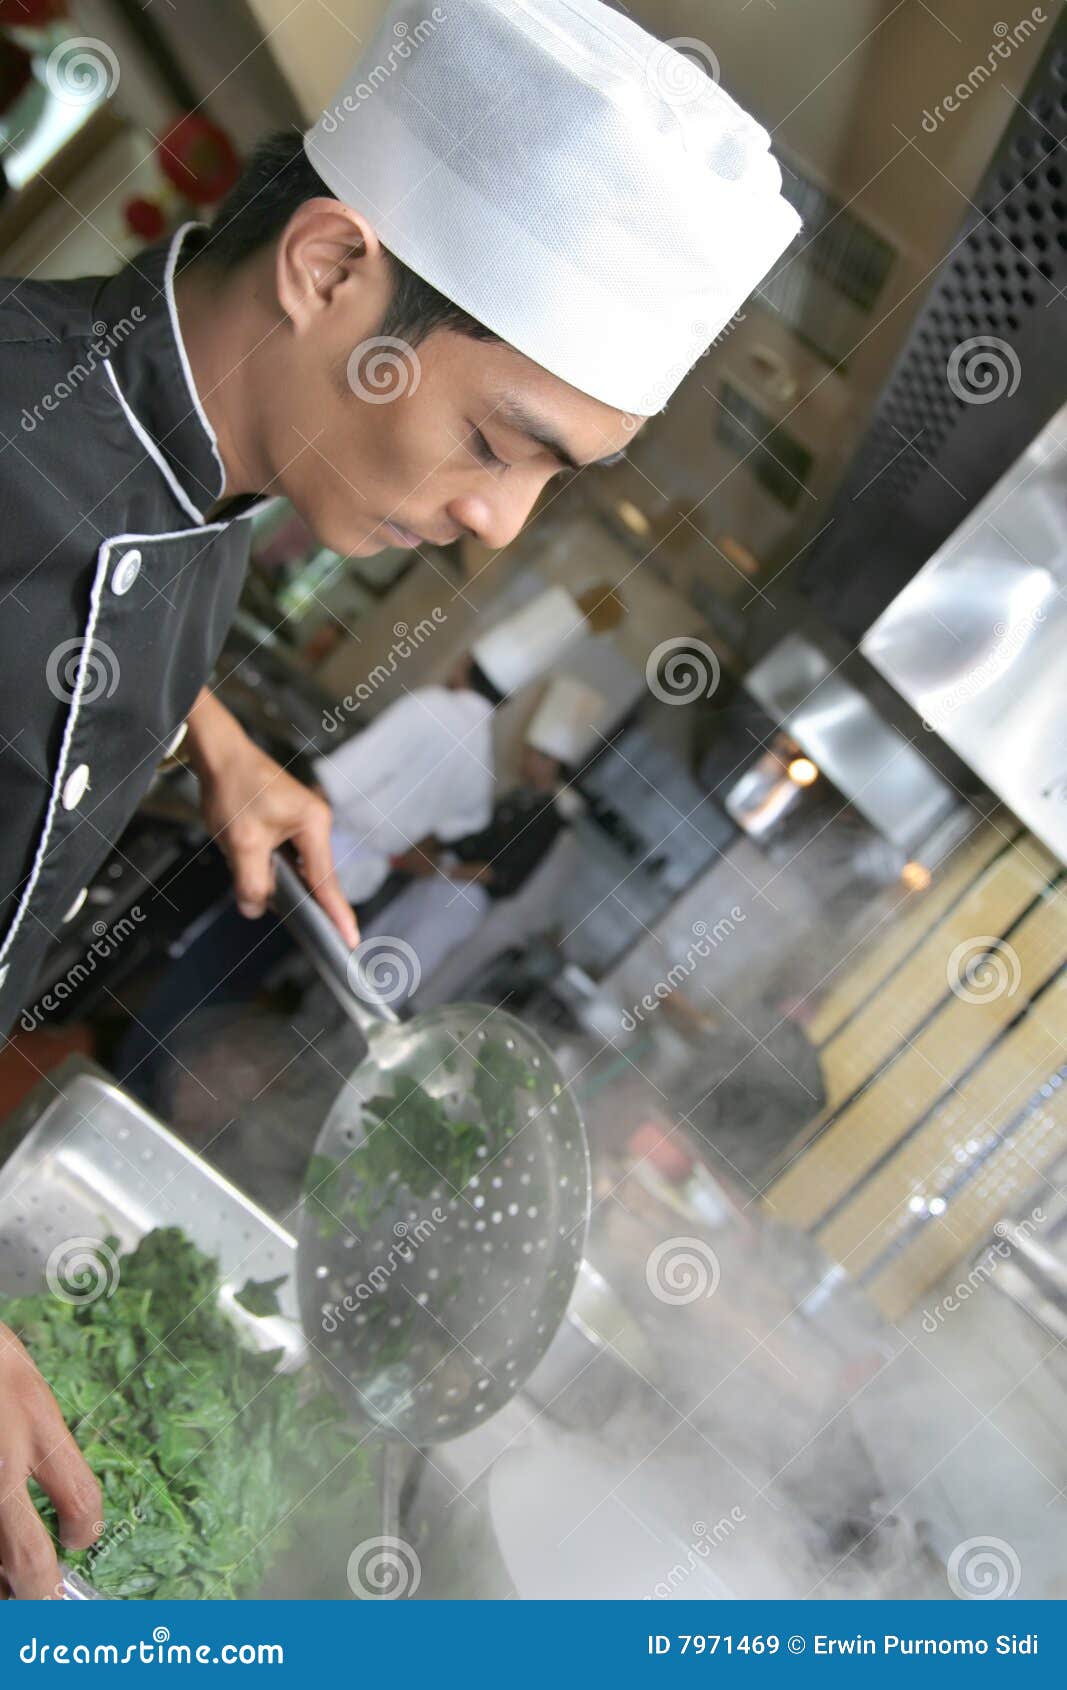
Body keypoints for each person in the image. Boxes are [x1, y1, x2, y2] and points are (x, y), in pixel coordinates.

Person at [0, 0, 800, 1595]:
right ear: (325, 269)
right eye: (501, 442)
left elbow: (98, 588)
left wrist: (209, 737)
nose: (499, 524)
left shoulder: (213, 477)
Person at [313, 584, 622, 906]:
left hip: (318, 842)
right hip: (355, 883)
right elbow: (457, 828)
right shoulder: (482, 765)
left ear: (466, 667)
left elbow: (342, 778)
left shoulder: (431, 704)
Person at [357, 675, 605, 1000]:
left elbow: (502, 875)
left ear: (550, 762)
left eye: (533, 753)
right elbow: (468, 835)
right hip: (439, 881)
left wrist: (442, 870)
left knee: (393, 975)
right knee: (371, 948)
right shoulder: (518, 795)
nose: (524, 758)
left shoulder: (550, 821)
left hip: (463, 898)